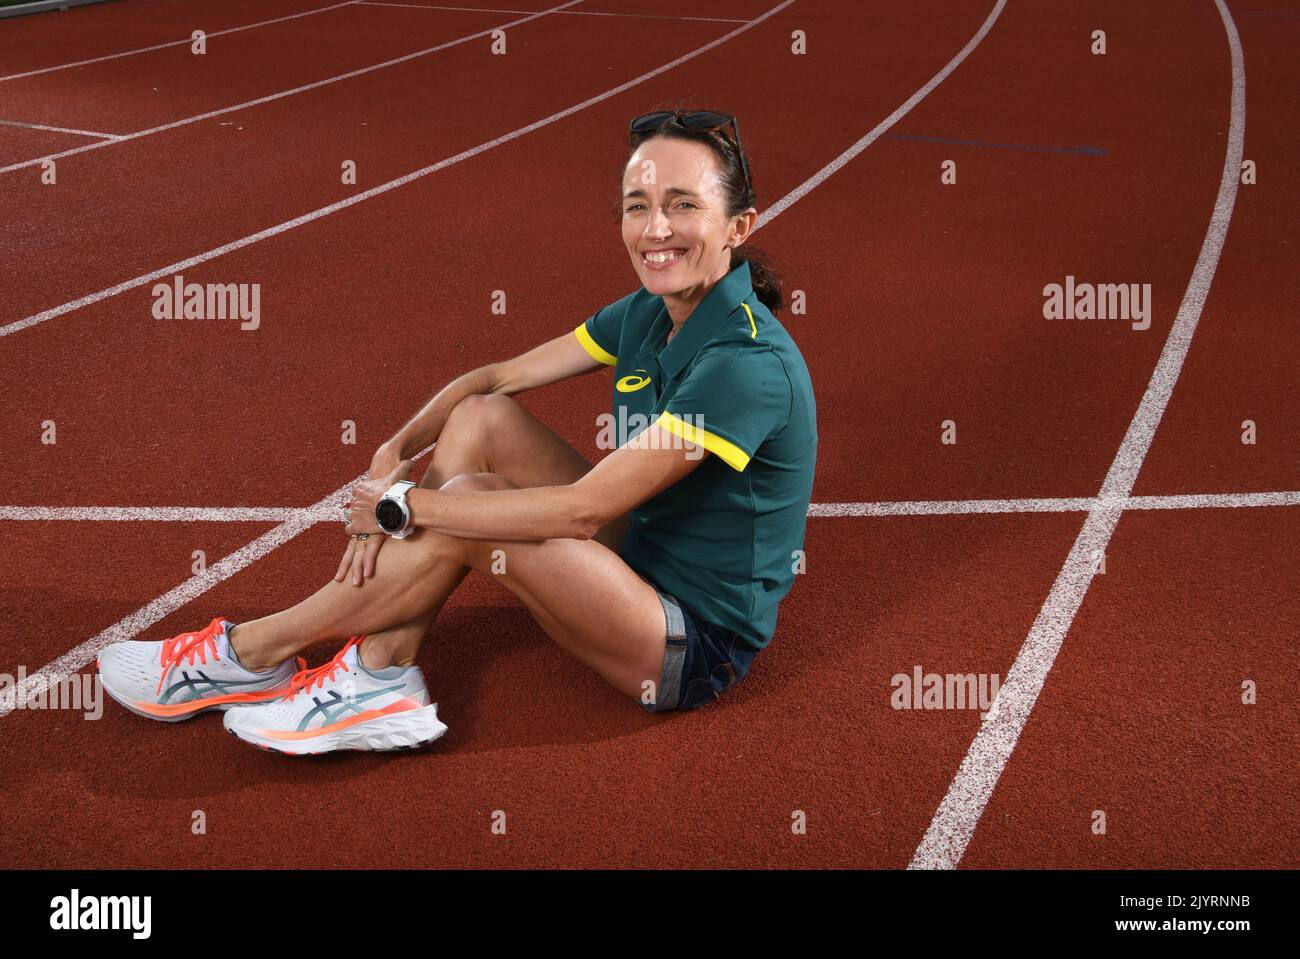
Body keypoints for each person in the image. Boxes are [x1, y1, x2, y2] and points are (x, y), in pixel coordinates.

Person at [97, 108, 818, 755]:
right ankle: (381, 669)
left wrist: (406, 506)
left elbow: (583, 510)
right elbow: (494, 380)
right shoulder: (648, 310)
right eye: (639, 206)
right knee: (478, 424)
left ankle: (251, 651)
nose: (655, 229)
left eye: (682, 205)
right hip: (640, 558)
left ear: (738, 227)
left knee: (467, 500)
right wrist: (393, 451)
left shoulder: (745, 363)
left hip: (687, 643)